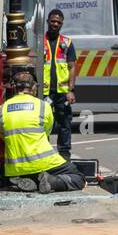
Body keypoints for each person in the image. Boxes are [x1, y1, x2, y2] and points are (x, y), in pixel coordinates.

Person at [0, 69, 85, 193]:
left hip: (15, 169)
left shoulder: (1, 110)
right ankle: (50, 182)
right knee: (78, 178)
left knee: (31, 173)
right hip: (43, 162)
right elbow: (46, 132)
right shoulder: (43, 106)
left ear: (14, 88)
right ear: (33, 88)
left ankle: (32, 180)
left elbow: (4, 136)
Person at [42, 9, 77, 160]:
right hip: (44, 92)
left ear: (61, 24)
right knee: (44, 124)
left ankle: (64, 155)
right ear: (47, 22)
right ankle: (45, 154)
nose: (55, 24)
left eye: (58, 22)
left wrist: (71, 90)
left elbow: (72, 67)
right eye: (52, 21)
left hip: (62, 92)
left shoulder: (66, 43)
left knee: (65, 123)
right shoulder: (39, 41)